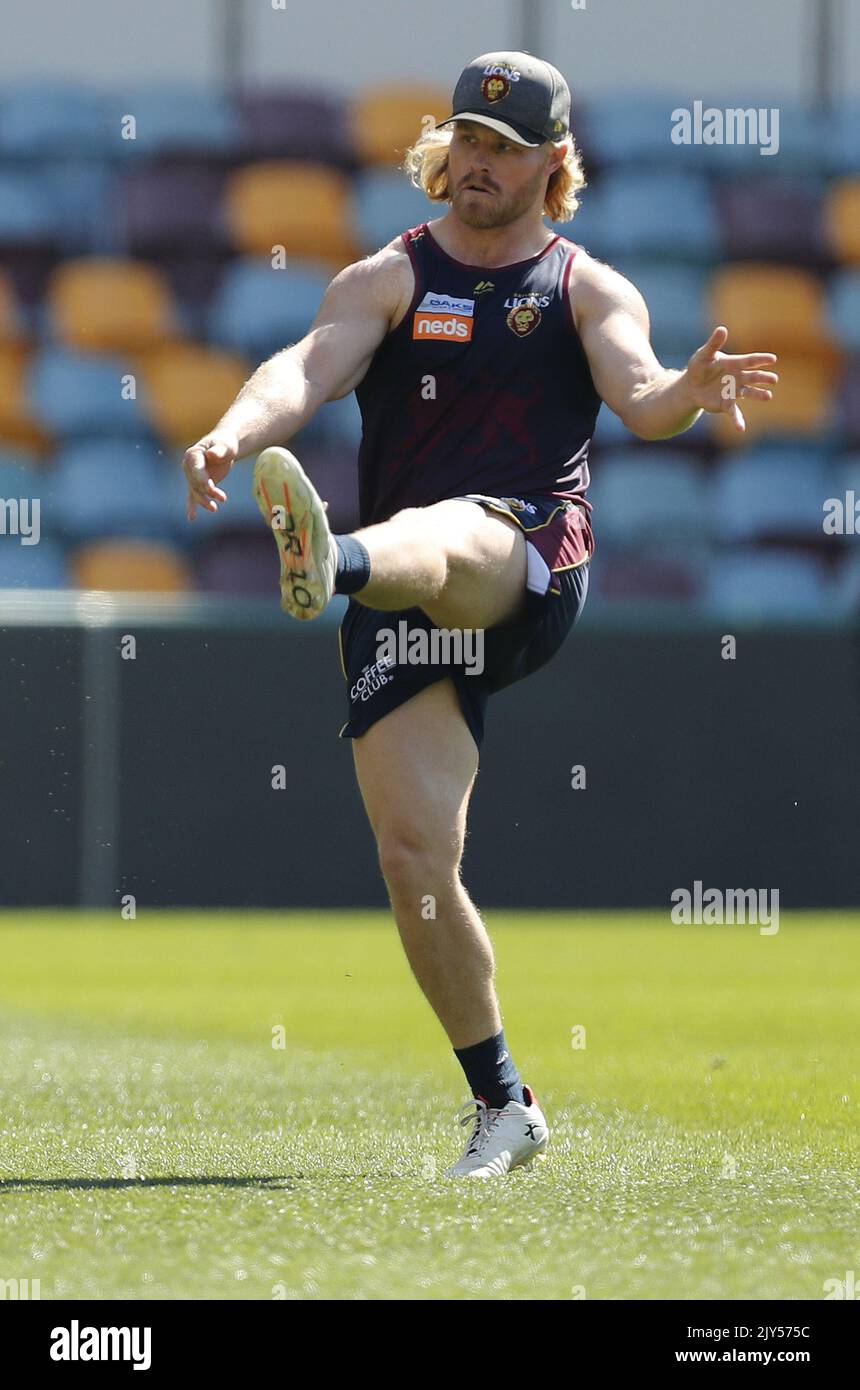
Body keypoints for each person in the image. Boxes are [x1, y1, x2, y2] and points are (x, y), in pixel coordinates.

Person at [182, 51, 778, 1178]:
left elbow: (639, 391)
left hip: (523, 562)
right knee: (415, 857)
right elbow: (302, 369)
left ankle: (335, 555)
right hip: (404, 594)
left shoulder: (585, 285)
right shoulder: (385, 278)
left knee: (456, 522)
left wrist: (683, 396)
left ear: (553, 164)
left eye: (504, 149)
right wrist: (233, 432)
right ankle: (504, 1103)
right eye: (465, 139)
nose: (477, 163)